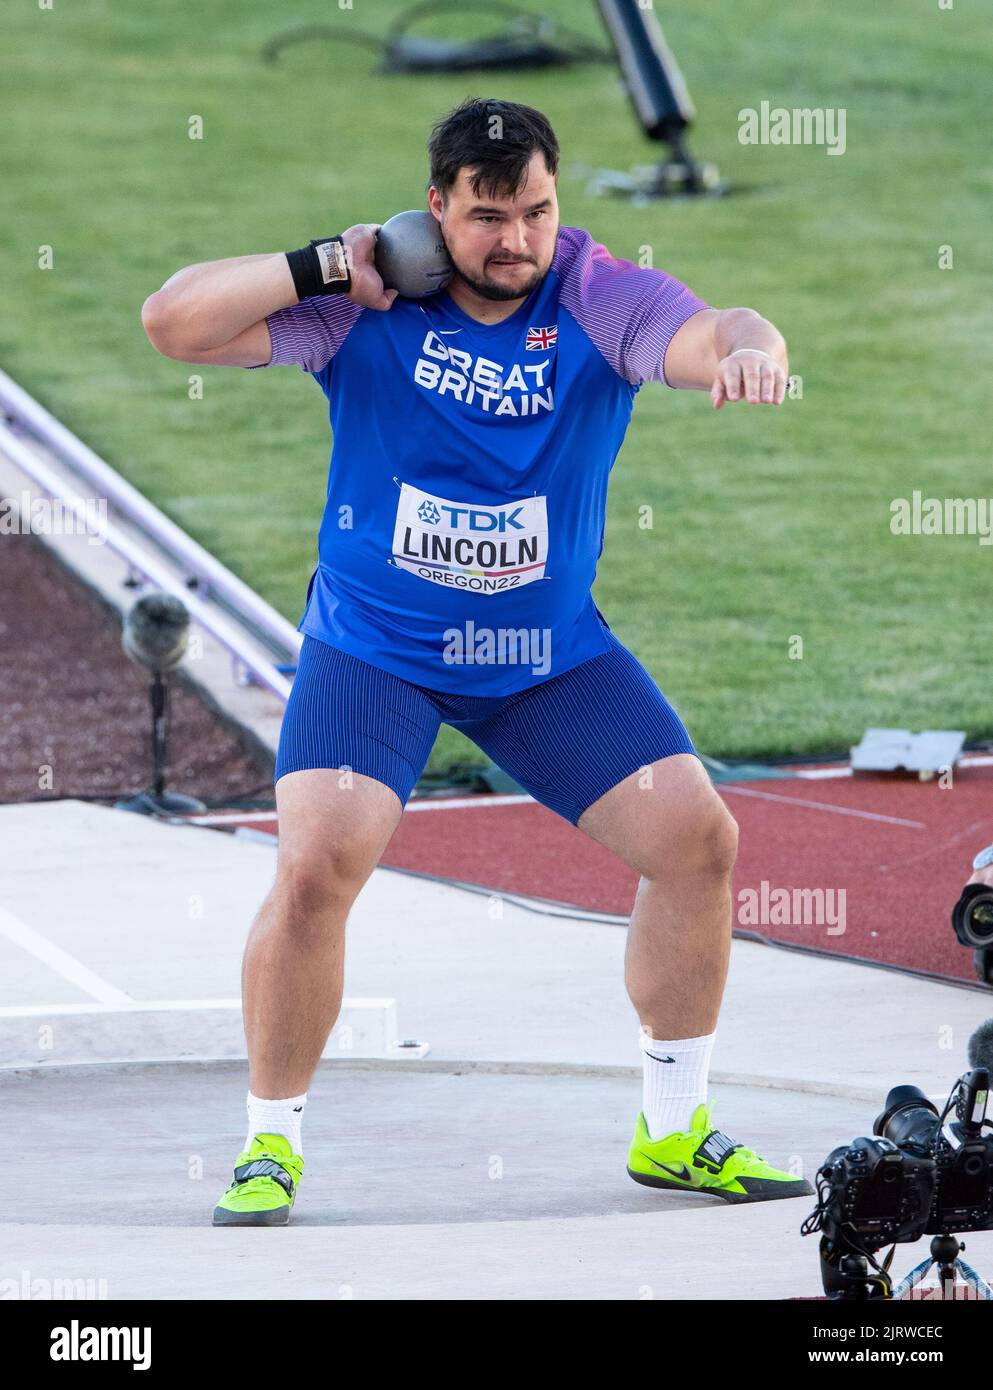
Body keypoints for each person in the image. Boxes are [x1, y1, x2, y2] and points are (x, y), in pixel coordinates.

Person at [141, 97, 812, 1224]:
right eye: (488, 218)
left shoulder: (596, 296)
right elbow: (173, 323)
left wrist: (754, 348)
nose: (517, 241)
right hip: (377, 651)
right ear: (436, 207)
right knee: (316, 868)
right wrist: (319, 264)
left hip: (542, 657)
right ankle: (270, 1145)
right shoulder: (365, 301)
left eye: (537, 212)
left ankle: (674, 1127)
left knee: (697, 840)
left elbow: (711, 329)